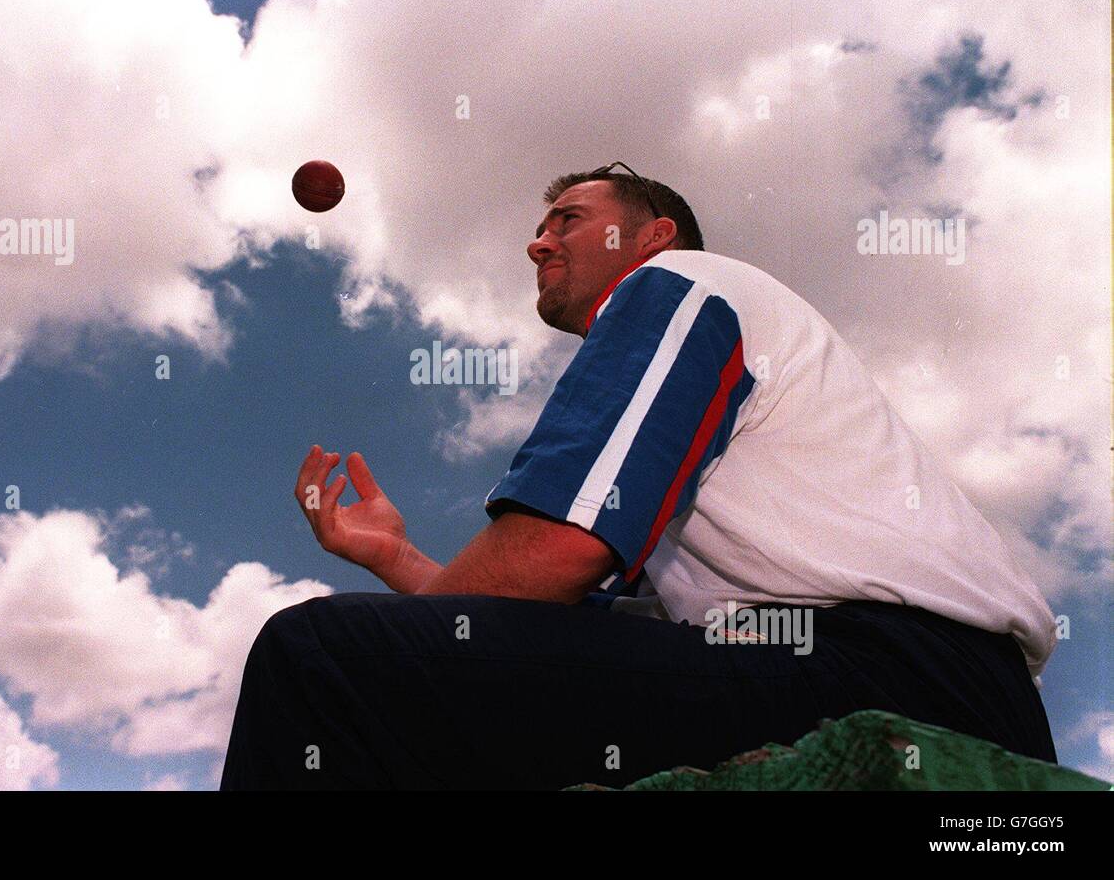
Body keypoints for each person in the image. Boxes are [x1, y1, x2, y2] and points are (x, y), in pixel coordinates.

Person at [219, 163, 1058, 790]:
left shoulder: (678, 283)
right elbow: (536, 631)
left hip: (891, 674)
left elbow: (555, 554)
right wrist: (398, 561)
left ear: (652, 235)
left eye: (569, 218)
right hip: (913, 680)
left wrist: (394, 648)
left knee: (319, 658)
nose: (536, 240)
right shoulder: (708, 389)